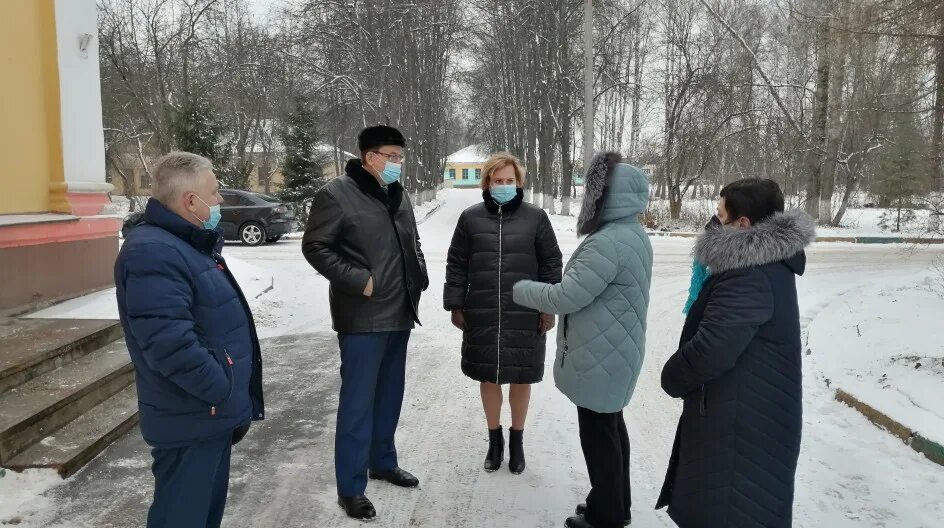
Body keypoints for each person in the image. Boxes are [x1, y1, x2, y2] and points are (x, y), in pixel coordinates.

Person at [114, 151, 265, 528]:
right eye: (214, 193)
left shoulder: (186, 244)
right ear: (190, 201)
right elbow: (168, 343)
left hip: (206, 416)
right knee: (182, 518)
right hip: (192, 416)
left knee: (200, 517)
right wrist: (220, 389)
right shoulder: (154, 252)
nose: (219, 201)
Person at [656, 178, 815, 528]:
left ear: (743, 225)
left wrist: (671, 376)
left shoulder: (750, 274)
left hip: (742, 427)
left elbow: (713, 347)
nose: (714, 224)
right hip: (747, 416)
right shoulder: (765, 262)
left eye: (720, 216)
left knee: (728, 511)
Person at [513, 152, 652, 528]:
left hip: (601, 356)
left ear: (606, 196)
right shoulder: (632, 233)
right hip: (614, 352)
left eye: (593, 192)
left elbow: (566, 297)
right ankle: (612, 506)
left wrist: (522, 290)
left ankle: (605, 517)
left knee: (599, 439)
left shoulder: (609, 241)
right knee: (611, 431)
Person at [302, 125, 429, 521]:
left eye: (401, 157)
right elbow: (315, 246)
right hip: (362, 315)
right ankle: (351, 486)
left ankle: (383, 461)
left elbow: (413, 241)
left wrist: (419, 272)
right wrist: (360, 280)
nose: (398, 164)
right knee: (358, 402)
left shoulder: (397, 193)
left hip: (400, 311)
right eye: (392, 156)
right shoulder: (336, 194)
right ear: (370, 156)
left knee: (390, 394)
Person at [444, 153, 563, 474]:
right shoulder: (470, 219)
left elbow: (552, 263)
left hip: (526, 311)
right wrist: (456, 303)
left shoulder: (536, 218)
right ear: (487, 183)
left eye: (510, 181)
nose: (504, 186)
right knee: (488, 374)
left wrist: (548, 306)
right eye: (498, 181)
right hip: (481, 311)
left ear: (519, 183)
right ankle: (494, 440)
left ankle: (517, 440)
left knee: (522, 376)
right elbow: (456, 263)